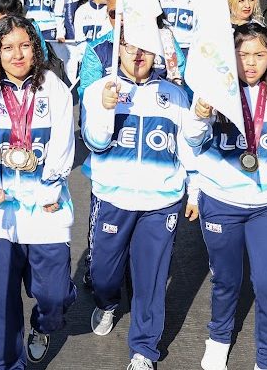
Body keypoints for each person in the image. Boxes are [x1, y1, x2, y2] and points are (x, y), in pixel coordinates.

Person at [184, 23, 267, 370]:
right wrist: (199, 116)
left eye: (259, 55)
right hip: (221, 202)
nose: (250, 63)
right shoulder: (213, 93)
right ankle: (219, 338)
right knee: (226, 279)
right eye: (242, 55)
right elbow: (192, 142)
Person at [82, 31, 203, 370]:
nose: (137, 55)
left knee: (151, 277)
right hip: (113, 197)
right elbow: (95, 142)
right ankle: (107, 303)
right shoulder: (99, 90)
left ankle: (144, 349)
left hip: (161, 201)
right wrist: (105, 110)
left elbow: (189, 147)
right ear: (118, 47)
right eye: (130, 46)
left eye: (146, 48)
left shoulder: (174, 95)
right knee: (103, 274)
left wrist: (194, 190)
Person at [0, 15, 77, 368]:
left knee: (55, 295)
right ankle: (7, 363)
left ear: (36, 49)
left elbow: (63, 143)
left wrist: (50, 187)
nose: (17, 55)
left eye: (25, 46)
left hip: (45, 209)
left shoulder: (53, 88)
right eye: (8, 47)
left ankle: (43, 325)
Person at [77, 0, 187, 99]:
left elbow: (180, 87)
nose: (121, 18)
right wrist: (103, 99)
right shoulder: (96, 49)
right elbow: (86, 96)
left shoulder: (165, 40)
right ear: (107, 13)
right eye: (115, 13)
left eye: (127, 12)